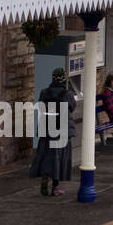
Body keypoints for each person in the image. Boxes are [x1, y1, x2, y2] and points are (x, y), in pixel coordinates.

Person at [29, 67, 76, 196]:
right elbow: (72, 108)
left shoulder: (44, 92)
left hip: (47, 128)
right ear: (64, 79)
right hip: (62, 129)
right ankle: (55, 187)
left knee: (45, 154)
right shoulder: (67, 94)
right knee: (59, 158)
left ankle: (45, 175)